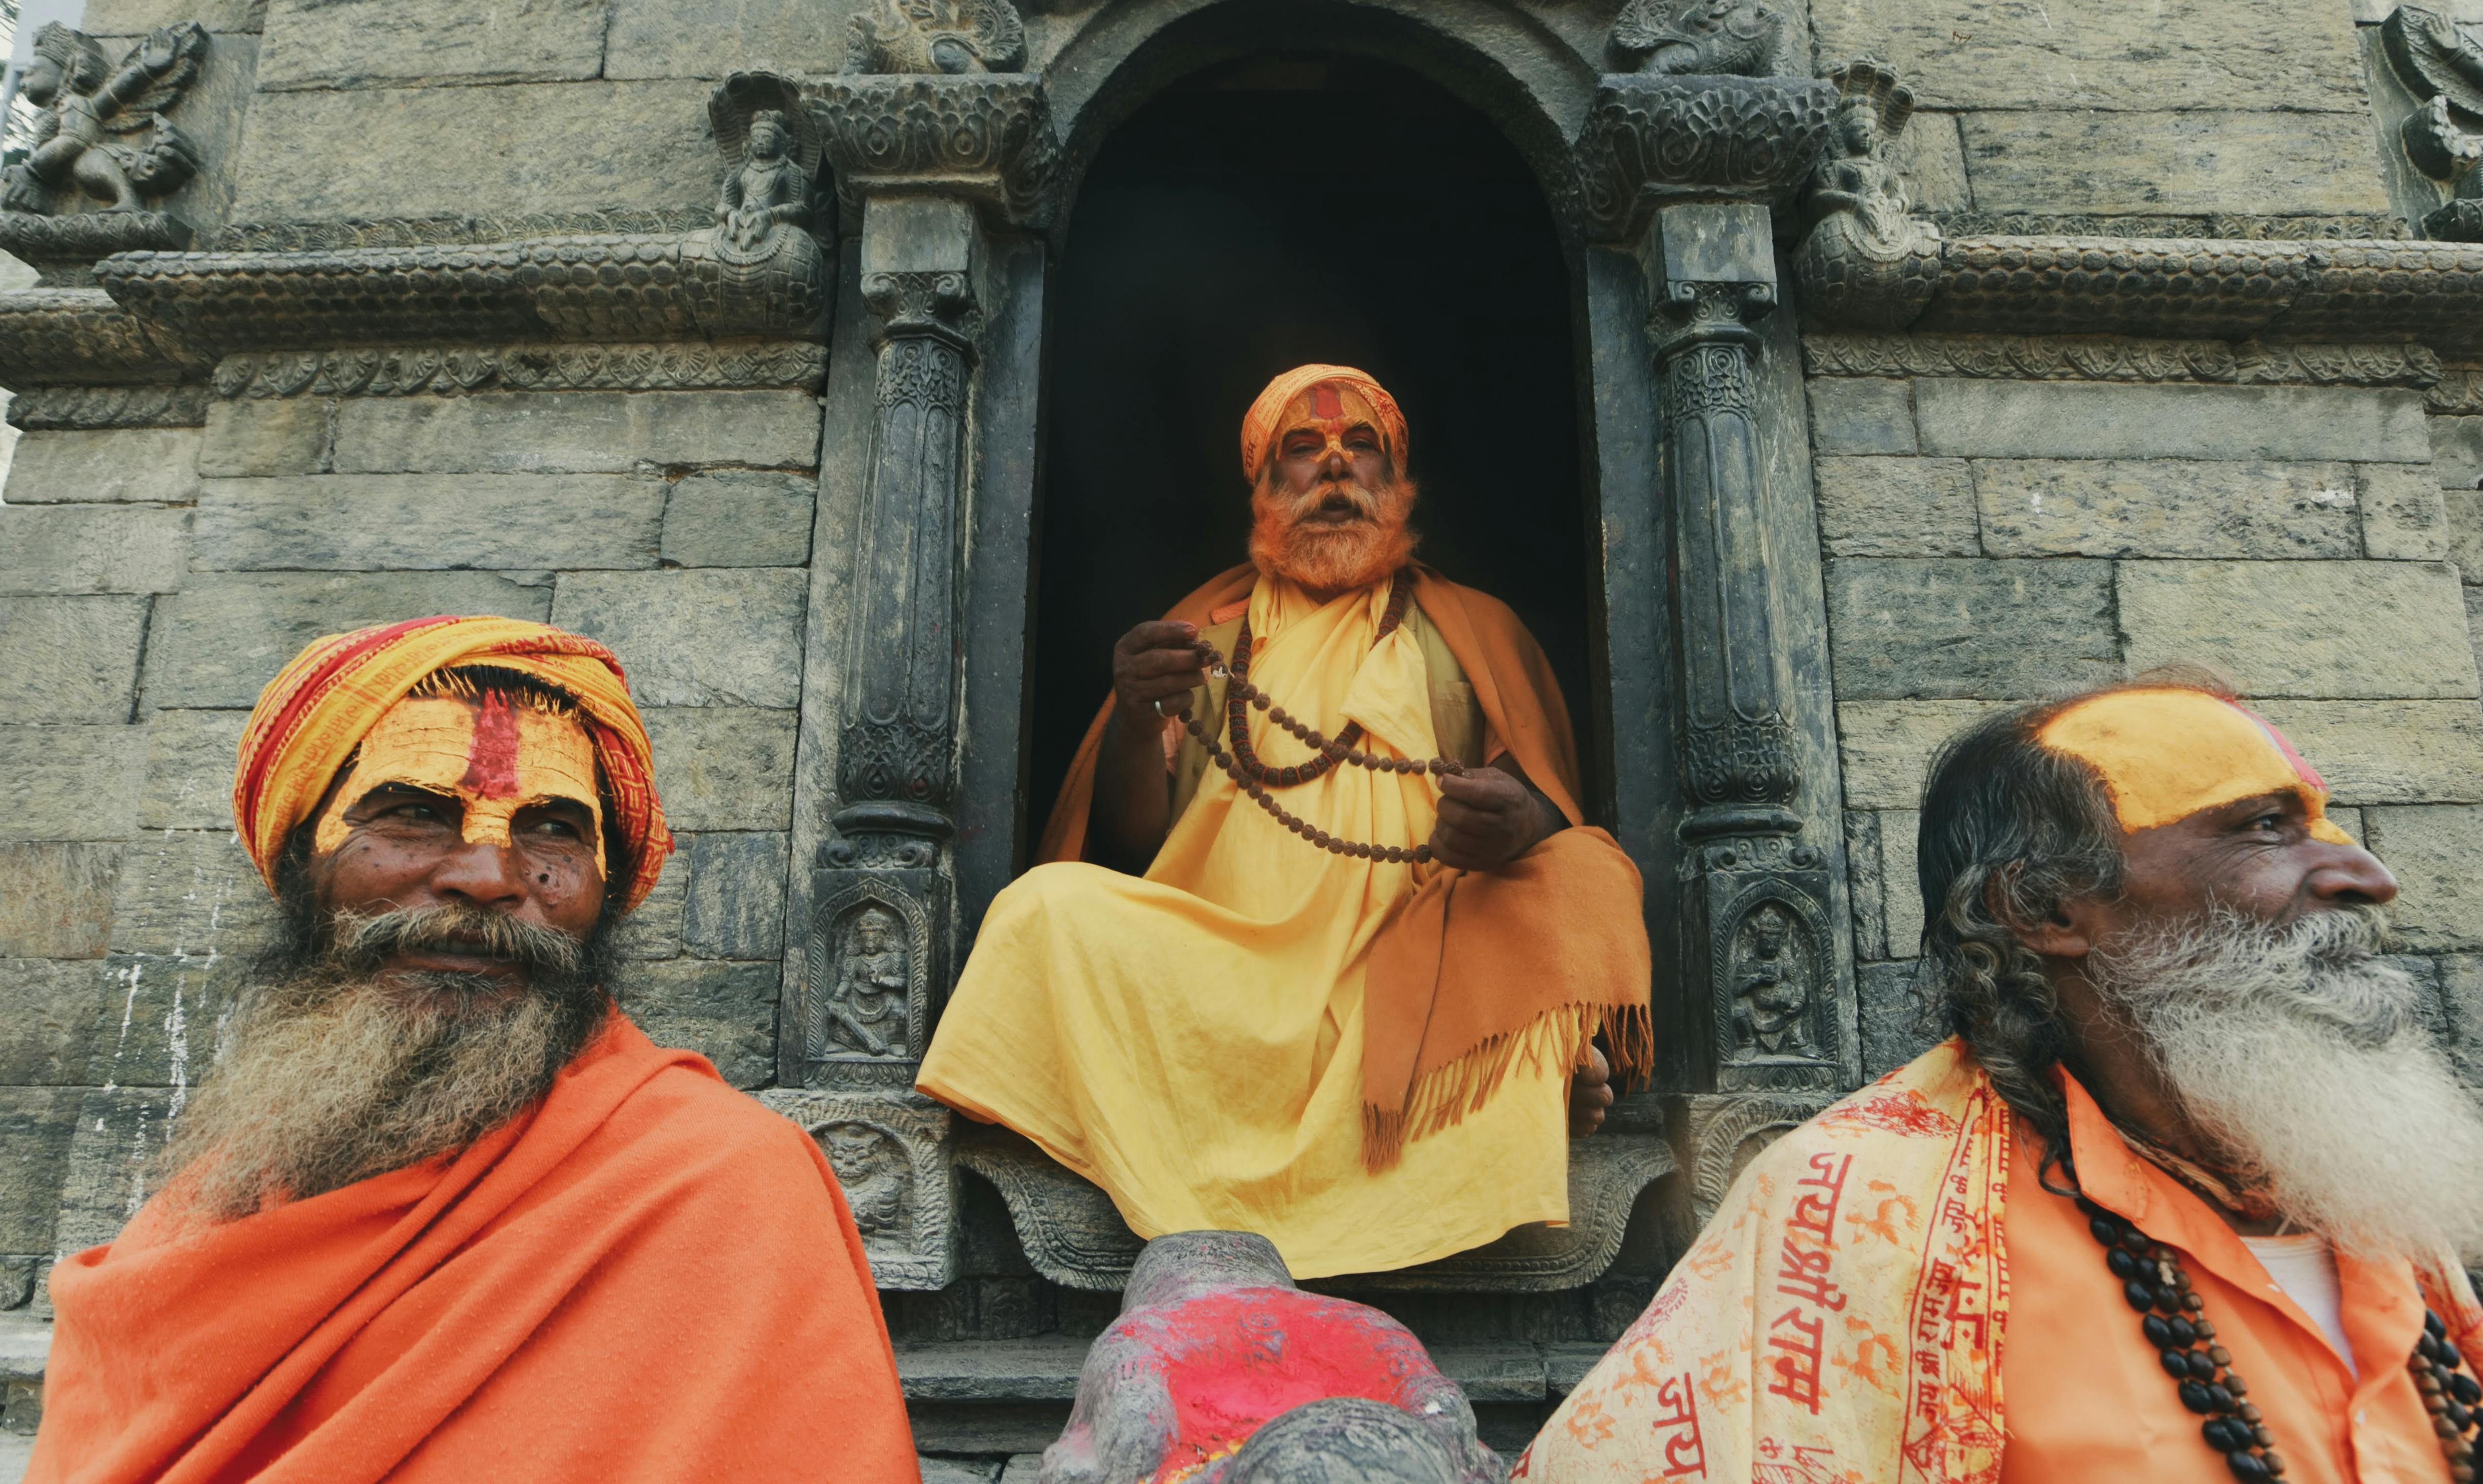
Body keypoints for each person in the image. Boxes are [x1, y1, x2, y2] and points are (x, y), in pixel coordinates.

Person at [1518, 675, 2483, 1484]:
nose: (2366, 873)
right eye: (2266, 828)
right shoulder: (1853, 1207)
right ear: (2041, 906)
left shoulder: (2368, 1197)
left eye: (2321, 824)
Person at [29, 616, 917, 1484]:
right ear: (302, 856)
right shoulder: (215, 1196)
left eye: (553, 831)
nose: (486, 878)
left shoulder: (718, 1185)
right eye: (413, 815)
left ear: (606, 886)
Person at [917, 363, 1652, 1277]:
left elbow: (1541, 798)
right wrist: (1136, 710)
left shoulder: (1472, 628)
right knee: (1042, 911)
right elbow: (1133, 846)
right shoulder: (1206, 637)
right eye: (1302, 452)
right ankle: (1525, 1086)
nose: (1335, 472)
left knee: (1580, 872)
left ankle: (1528, 1066)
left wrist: (1522, 819)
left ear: (1396, 485)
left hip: (1408, 977)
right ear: (1264, 490)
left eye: (1362, 453)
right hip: (1220, 975)